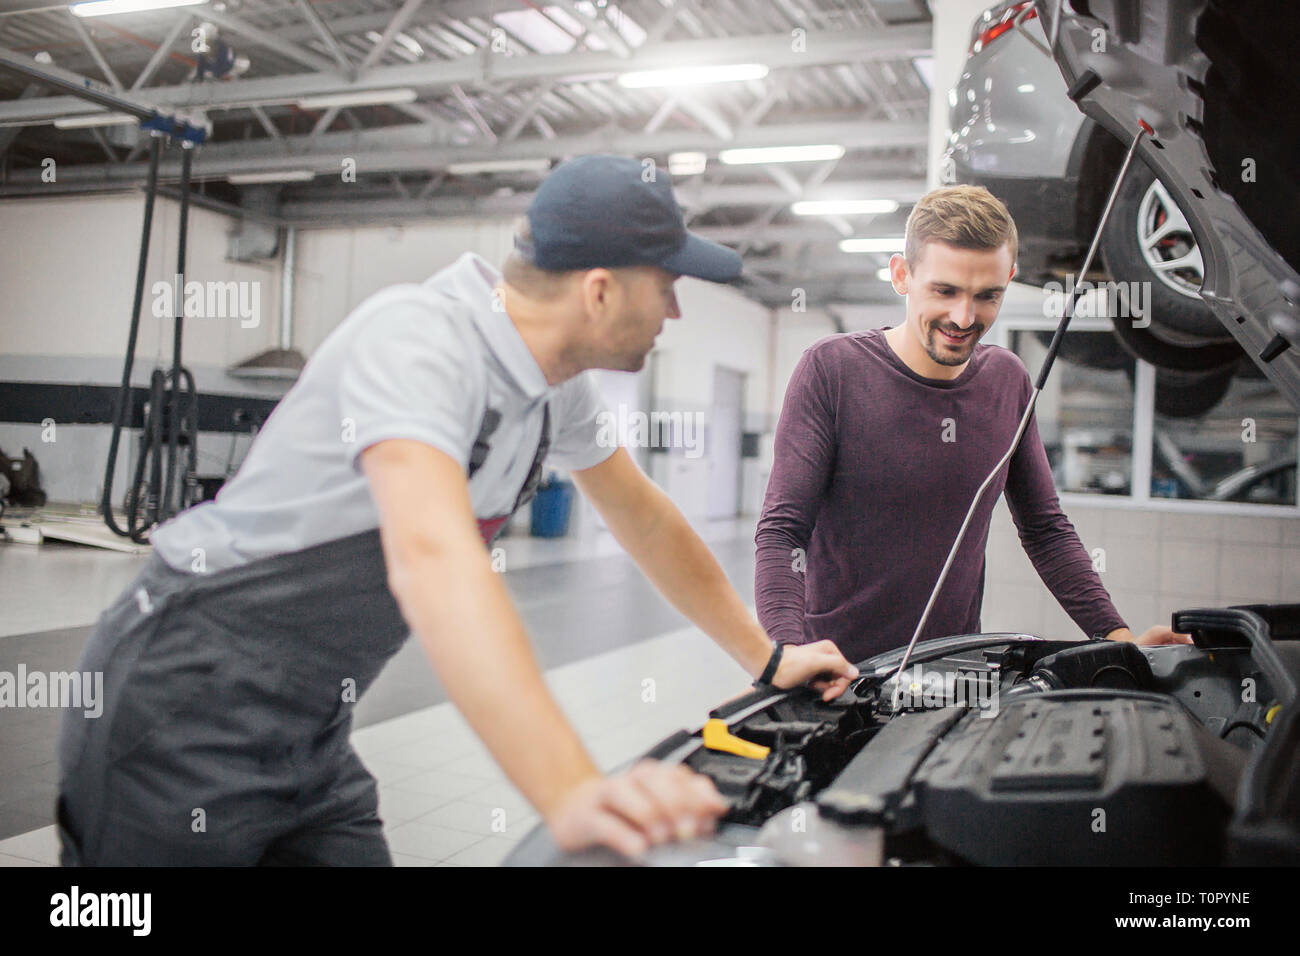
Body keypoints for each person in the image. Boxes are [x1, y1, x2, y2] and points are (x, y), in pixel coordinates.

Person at [57, 154, 858, 866]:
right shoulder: (420, 340)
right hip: (177, 706)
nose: (675, 313)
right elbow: (433, 562)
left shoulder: (555, 390)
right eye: (668, 287)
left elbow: (642, 517)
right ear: (600, 289)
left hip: (307, 737)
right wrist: (572, 790)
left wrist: (765, 657)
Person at [755, 184, 1190, 664]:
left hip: (956, 666)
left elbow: (1045, 530)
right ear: (902, 275)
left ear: (1009, 279)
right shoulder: (831, 371)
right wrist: (789, 652)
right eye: (945, 291)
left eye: (987, 296)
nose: (964, 317)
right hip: (838, 671)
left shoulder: (1008, 380)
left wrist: (1119, 640)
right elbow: (782, 532)